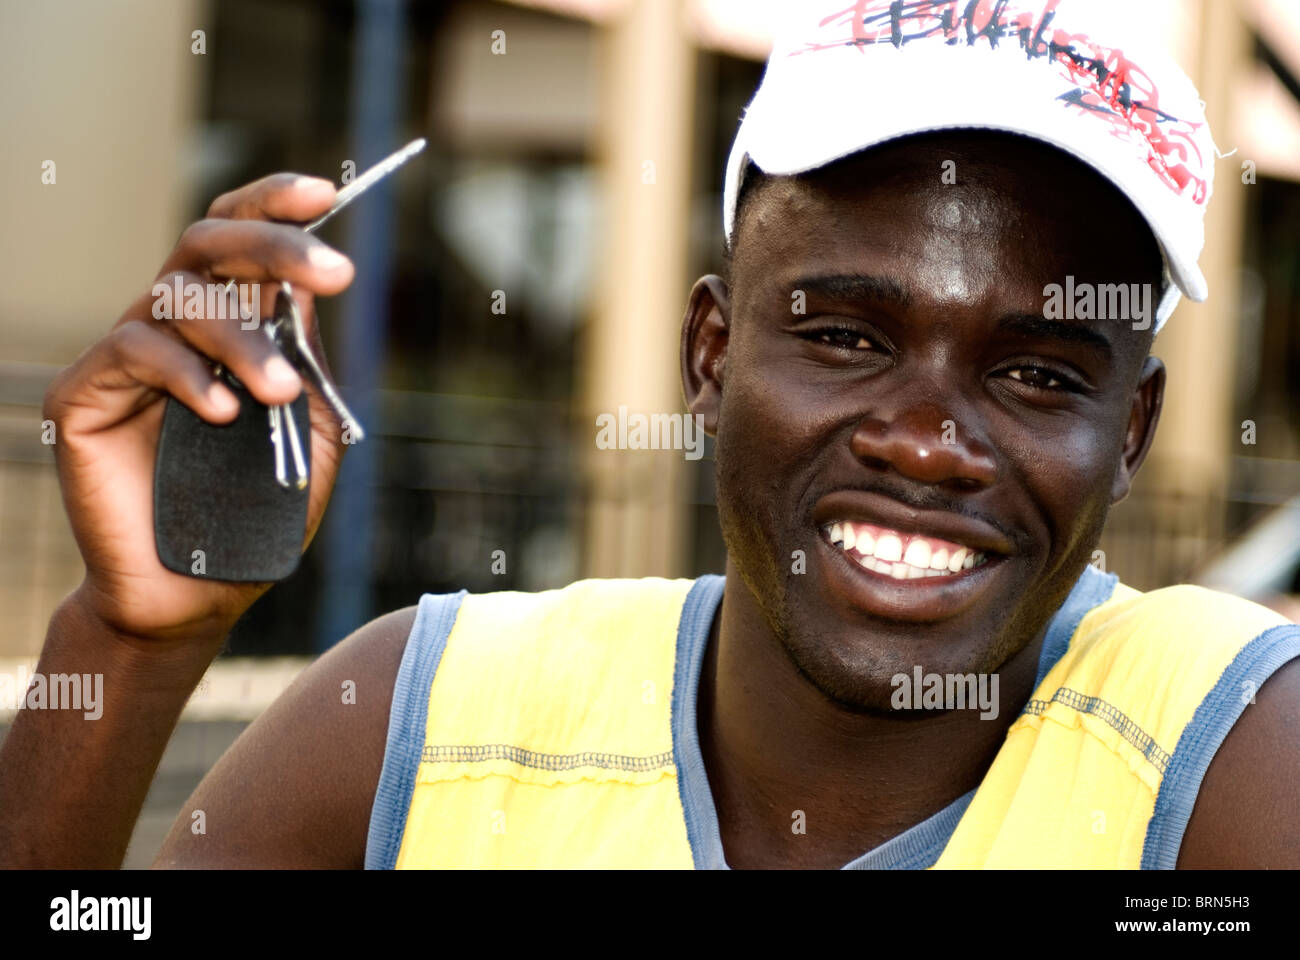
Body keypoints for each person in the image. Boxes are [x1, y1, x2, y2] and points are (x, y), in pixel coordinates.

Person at [2, 0, 1297, 870]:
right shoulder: (419, 720)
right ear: (711, 355)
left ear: (1131, 432)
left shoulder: (1221, 756)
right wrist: (123, 648)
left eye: (1033, 372)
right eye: (847, 336)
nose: (925, 444)